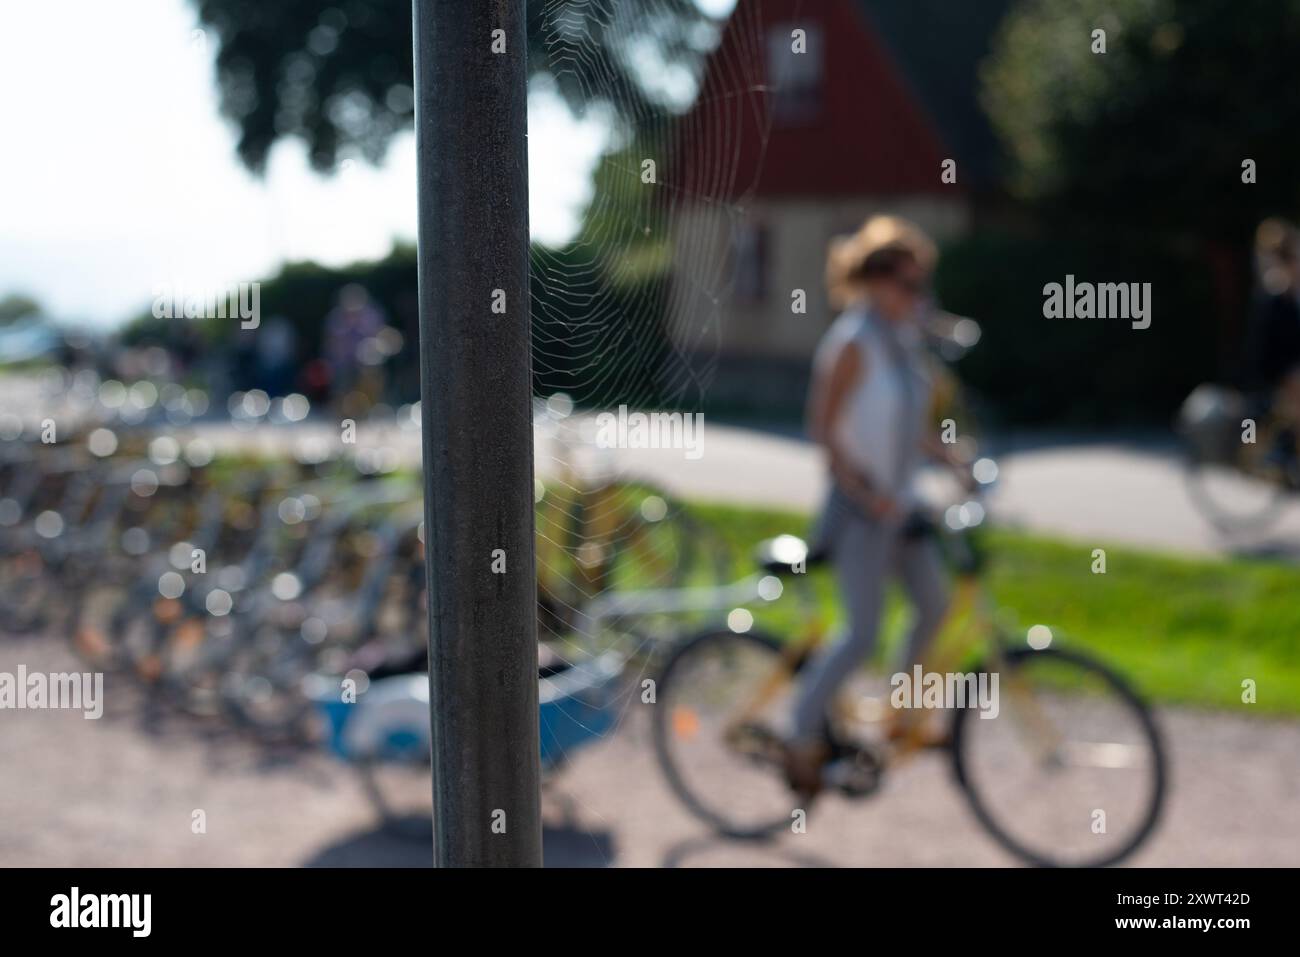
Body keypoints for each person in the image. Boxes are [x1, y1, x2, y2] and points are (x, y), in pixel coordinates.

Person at [785, 215, 968, 796]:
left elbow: (909, 427)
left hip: (902, 503)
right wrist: (869, 495)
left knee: (934, 604)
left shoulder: (902, 343)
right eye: (908, 287)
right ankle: (798, 735)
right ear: (876, 281)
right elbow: (824, 432)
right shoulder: (852, 344)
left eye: (921, 287)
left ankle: (898, 711)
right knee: (860, 631)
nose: (917, 299)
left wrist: (953, 459)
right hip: (862, 508)